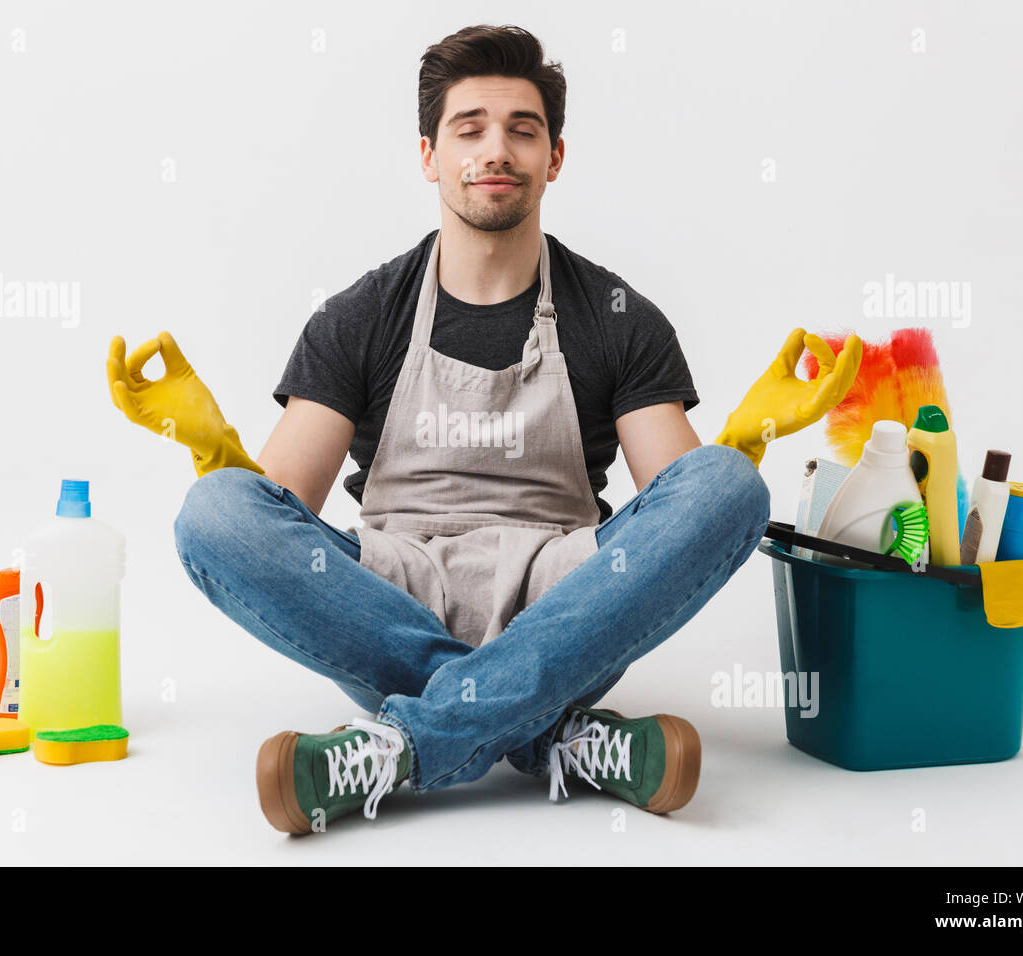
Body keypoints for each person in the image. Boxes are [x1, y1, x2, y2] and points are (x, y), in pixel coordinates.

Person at [106, 24, 862, 835]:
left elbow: (682, 516)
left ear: (554, 158)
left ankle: (403, 746)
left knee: (727, 488)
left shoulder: (617, 318)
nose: (495, 148)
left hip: (565, 593)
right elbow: (274, 519)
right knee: (215, 511)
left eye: (521, 129)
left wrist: (743, 446)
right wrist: (214, 454)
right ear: (429, 155)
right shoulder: (360, 317)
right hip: (394, 601)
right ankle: (551, 734)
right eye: (469, 128)